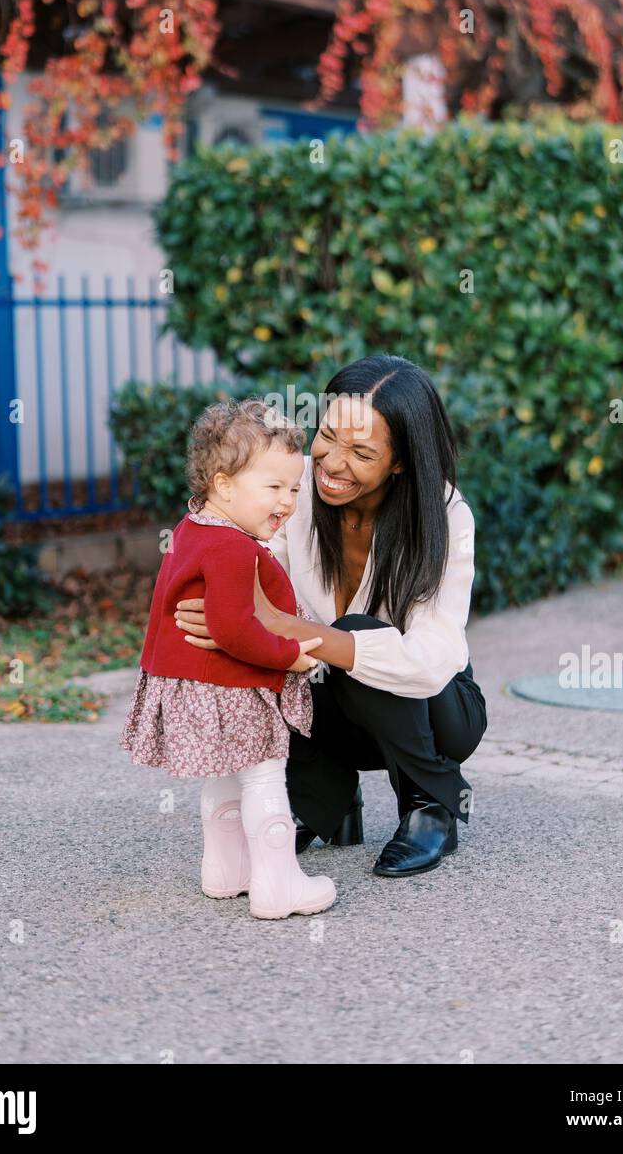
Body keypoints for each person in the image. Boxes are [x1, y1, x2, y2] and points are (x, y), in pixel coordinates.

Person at [175, 355, 487, 879]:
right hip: (334, 708)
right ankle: (328, 804)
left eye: (361, 452)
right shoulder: (289, 489)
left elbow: (436, 657)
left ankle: (429, 804)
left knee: (354, 633)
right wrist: (227, 617)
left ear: (401, 462)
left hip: (438, 713)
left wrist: (302, 632)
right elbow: (250, 575)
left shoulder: (445, 514)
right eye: (327, 435)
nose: (331, 462)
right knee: (262, 648)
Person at [119, 396, 337, 921]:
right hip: (232, 687)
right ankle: (277, 886)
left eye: (292, 488)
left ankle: (225, 870)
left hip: (191, 685)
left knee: (223, 775)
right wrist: (291, 657)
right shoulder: (236, 550)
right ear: (222, 484)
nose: (286, 502)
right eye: (273, 488)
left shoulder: (193, 530)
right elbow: (235, 630)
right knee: (263, 777)